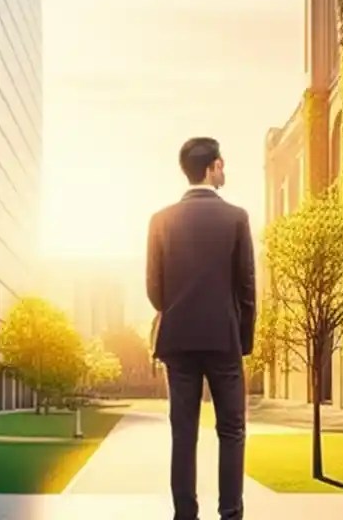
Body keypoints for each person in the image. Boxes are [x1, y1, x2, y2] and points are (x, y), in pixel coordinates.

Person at [147, 137, 256, 520]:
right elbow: (246, 287)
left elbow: (154, 290)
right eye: (221, 165)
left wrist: (176, 313)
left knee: (184, 434)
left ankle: (185, 515)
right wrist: (241, 342)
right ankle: (230, 514)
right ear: (212, 167)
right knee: (231, 430)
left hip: (177, 341)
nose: (223, 170)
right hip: (223, 338)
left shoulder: (160, 220)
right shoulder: (237, 217)